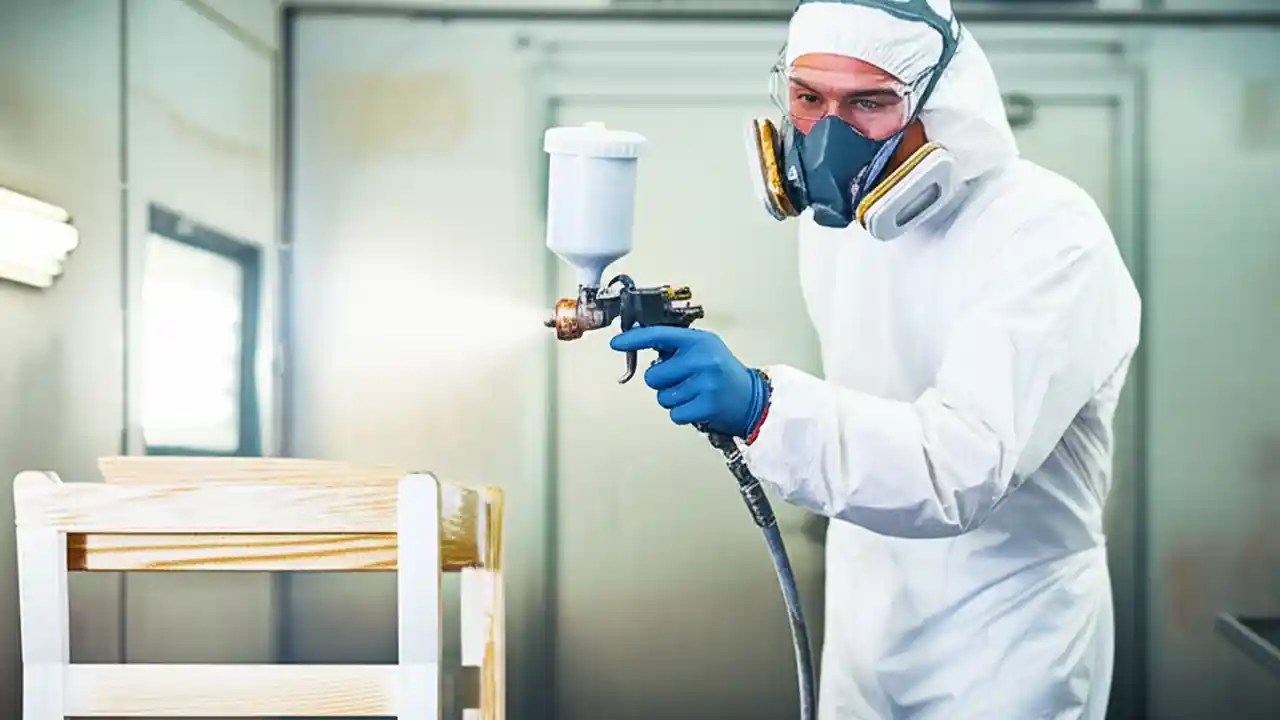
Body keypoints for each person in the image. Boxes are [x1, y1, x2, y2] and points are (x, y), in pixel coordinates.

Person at [610, 0, 1142, 718]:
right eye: (808, 99)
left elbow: (963, 466)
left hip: (1007, 639)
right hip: (869, 624)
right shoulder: (841, 232)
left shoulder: (1045, 232)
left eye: (869, 103)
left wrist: (765, 408)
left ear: (939, 104)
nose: (829, 139)